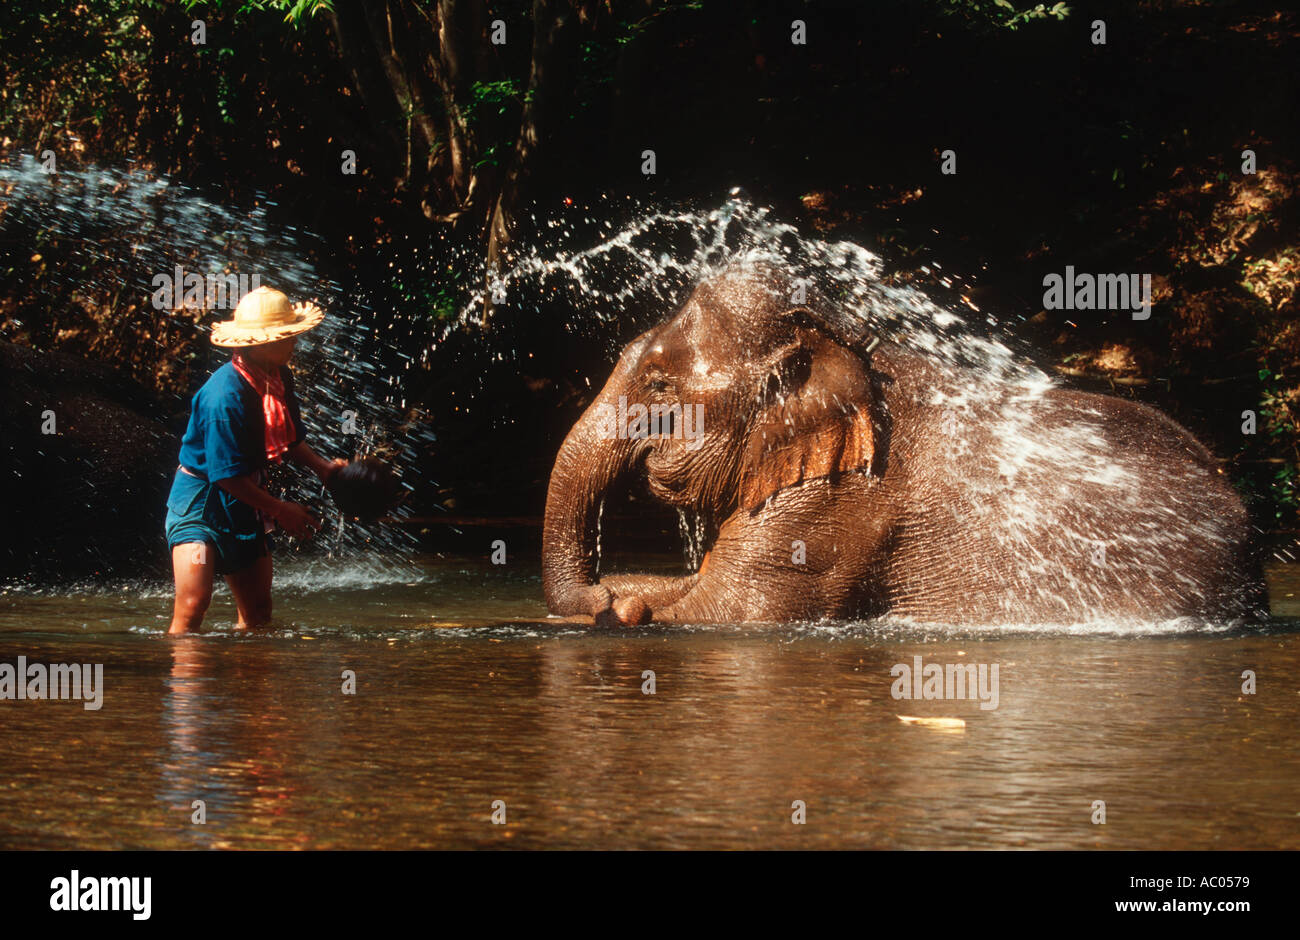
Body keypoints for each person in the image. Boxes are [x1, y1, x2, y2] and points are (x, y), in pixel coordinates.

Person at [164, 287, 345, 634]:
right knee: (192, 605)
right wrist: (280, 509)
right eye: (287, 337)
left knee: (258, 613)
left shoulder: (277, 378)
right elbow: (225, 475)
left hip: (244, 501)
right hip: (200, 502)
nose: (295, 343)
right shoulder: (224, 398)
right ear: (260, 343)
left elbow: (288, 437)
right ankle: (185, 687)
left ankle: (249, 686)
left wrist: (324, 470)